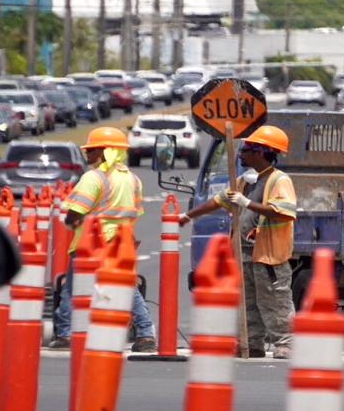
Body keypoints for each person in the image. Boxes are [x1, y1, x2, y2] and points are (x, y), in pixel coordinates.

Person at [179, 125, 298, 360]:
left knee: (275, 302)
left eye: (246, 151)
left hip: (269, 256)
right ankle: (252, 343)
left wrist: (246, 203)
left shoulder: (279, 181)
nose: (241, 155)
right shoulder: (244, 181)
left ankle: (285, 343)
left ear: (262, 153)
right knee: (249, 304)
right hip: (244, 254)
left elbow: (284, 212)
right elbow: (218, 201)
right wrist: (188, 216)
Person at [50, 126, 158, 352]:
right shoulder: (133, 179)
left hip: (92, 245)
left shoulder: (93, 177)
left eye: (92, 150)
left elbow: (76, 211)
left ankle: (66, 333)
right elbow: (135, 213)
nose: (87, 155)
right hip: (121, 244)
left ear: (106, 151)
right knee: (128, 288)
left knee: (74, 289)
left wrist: (71, 222)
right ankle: (146, 334)